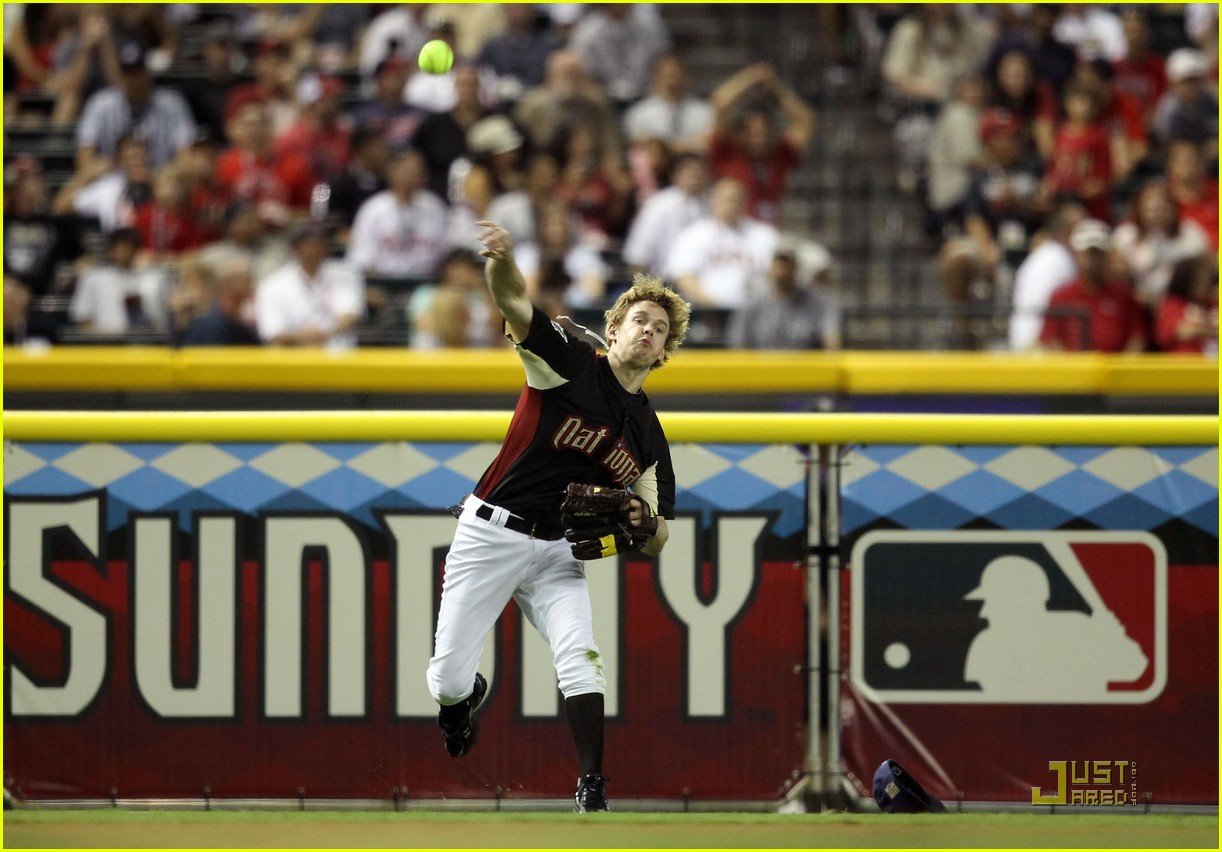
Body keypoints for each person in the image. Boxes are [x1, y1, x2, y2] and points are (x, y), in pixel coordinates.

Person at [427, 219, 688, 813]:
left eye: (660, 328)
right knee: (445, 681)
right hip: (492, 530)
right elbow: (515, 301)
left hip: (556, 552)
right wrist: (499, 259)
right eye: (639, 320)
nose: (648, 330)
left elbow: (659, 536)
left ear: (665, 351)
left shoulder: (648, 436)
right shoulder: (571, 361)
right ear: (614, 327)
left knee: (581, 655)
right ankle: (462, 702)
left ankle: (592, 787)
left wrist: (646, 526)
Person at [707, 62, 816, 224]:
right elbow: (719, 102)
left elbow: (806, 121)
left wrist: (776, 88)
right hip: (730, 228)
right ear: (740, 133)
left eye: (764, 132)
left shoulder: (780, 153)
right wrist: (751, 76)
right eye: (752, 133)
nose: (759, 138)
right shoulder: (727, 151)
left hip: (767, 231)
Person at [75, 42, 196, 169]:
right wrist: (107, 168)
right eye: (128, 73)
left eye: (138, 72)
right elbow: (84, 157)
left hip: (160, 178)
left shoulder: (171, 104)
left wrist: (164, 176)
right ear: (120, 75)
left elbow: (186, 156)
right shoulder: (100, 104)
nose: (134, 79)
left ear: (148, 73)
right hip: (114, 178)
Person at [665, 178, 778, 309]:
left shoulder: (765, 235)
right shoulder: (694, 235)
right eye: (727, 199)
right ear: (713, 201)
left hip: (757, 312)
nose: (731, 204)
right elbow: (684, 278)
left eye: (736, 199)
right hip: (708, 313)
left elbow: (778, 275)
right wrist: (716, 307)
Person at [1038, 219, 1147, 353]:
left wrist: (1122, 368)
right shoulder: (1061, 296)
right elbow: (1050, 340)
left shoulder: (1124, 296)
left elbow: (1137, 339)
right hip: (1075, 370)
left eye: (1098, 253)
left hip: (1115, 370)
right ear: (1076, 254)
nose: (1093, 259)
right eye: (1087, 253)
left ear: (1107, 256)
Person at [255, 221, 365, 348]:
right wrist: (302, 337)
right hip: (293, 359)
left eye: (321, 242)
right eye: (311, 243)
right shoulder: (273, 285)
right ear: (296, 248)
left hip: (339, 358)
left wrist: (323, 333)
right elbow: (272, 333)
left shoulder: (346, 274)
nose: (317, 248)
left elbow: (350, 314)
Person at [346, 148, 449, 279]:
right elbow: (360, 261)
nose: (417, 172)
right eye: (410, 168)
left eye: (419, 168)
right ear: (392, 171)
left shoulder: (434, 207)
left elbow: (448, 255)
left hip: (427, 285)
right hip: (385, 285)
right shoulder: (373, 209)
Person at [726, 235, 840, 350]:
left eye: (786, 263)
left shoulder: (819, 303)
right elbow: (738, 347)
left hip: (804, 366)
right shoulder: (751, 305)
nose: (781, 269)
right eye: (777, 262)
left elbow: (832, 343)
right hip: (762, 366)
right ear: (768, 266)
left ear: (796, 265)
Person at [1111, 180, 1210, 309]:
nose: (1156, 214)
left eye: (1161, 207)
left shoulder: (1191, 234)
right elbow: (1113, 273)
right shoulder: (1125, 235)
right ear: (1139, 209)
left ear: (1173, 208)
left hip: (1182, 304)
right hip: (1137, 303)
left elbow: (1207, 270)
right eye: (1150, 209)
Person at [1009, 201, 1085, 352]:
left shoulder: (1048, 253)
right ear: (1067, 232)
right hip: (1036, 344)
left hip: (1025, 341)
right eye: (1081, 229)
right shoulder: (1058, 259)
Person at [622, 153, 710, 278]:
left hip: (704, 282)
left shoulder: (712, 204)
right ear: (675, 175)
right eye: (689, 171)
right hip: (664, 280)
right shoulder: (658, 205)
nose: (695, 176)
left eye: (699, 171)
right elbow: (638, 255)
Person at [623, 53, 715, 154]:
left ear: (686, 77)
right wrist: (686, 145)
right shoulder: (638, 113)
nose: (672, 81)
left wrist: (665, 147)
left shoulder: (705, 112)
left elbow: (707, 144)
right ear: (655, 77)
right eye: (666, 75)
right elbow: (640, 147)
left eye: (676, 75)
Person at [1155, 256, 1218, 355]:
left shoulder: (1213, 303)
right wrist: (1211, 331)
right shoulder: (1173, 304)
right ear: (1188, 282)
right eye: (1202, 281)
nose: (1206, 285)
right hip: (1184, 364)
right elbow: (1180, 332)